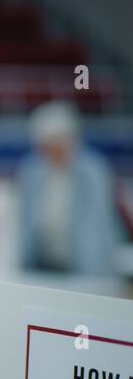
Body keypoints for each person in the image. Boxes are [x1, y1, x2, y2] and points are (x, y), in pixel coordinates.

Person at [17, 100, 125, 275]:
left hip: (83, 264)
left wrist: (106, 266)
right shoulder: (32, 170)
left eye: (55, 144)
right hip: (41, 262)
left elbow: (101, 221)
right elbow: (25, 218)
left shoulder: (93, 170)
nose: (50, 151)